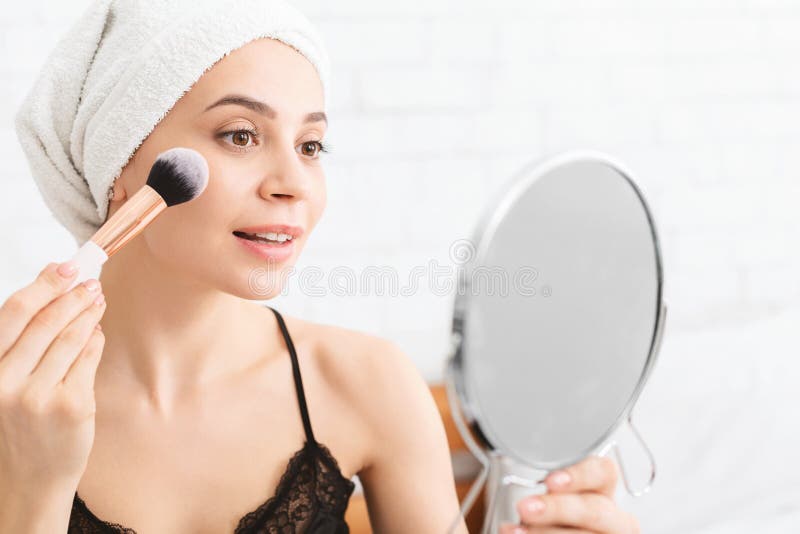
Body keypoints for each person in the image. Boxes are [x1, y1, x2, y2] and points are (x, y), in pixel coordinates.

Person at [1, 1, 640, 533]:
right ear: (118, 167)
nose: (294, 184)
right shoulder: (15, 405)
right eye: (240, 134)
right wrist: (33, 492)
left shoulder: (368, 385)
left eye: (310, 145)